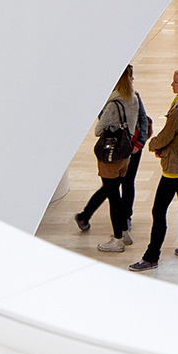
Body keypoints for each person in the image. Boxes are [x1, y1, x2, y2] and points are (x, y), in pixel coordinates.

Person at [131, 67, 178, 270]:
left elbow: (166, 136)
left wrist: (153, 143)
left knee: (158, 210)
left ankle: (151, 257)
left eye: (176, 82)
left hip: (173, 168)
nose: (172, 84)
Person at [75, 63, 148, 252]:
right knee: (120, 190)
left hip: (110, 155)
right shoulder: (134, 99)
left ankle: (117, 240)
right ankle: (125, 232)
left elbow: (99, 130)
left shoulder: (112, 104)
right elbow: (138, 123)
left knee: (114, 196)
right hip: (126, 153)